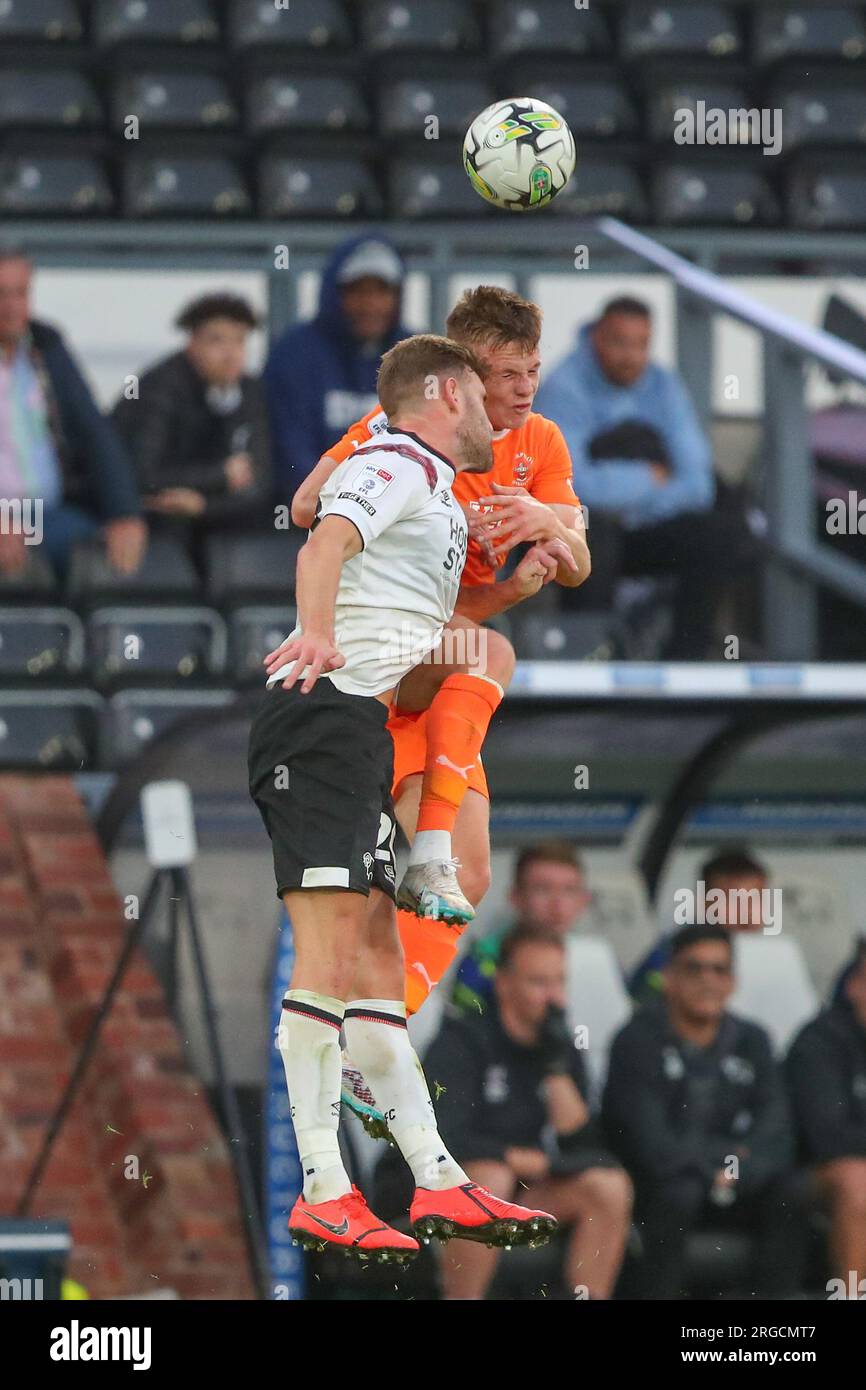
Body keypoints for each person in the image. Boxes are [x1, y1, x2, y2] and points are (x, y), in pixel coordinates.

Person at [248, 334, 557, 1259]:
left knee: (379, 978)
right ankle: (322, 1190)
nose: (496, 420)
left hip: (358, 736)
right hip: (323, 726)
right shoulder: (397, 459)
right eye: (481, 394)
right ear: (445, 392)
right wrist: (314, 636)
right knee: (328, 968)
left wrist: (514, 590)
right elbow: (325, 538)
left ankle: (439, 1181)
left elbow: (416, 617)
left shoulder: (427, 485)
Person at [281, 287, 590, 1036]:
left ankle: (377, 1032)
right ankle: (422, 862)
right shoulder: (407, 437)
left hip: (444, 665)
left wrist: (541, 527)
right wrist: (395, 493)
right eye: (507, 374)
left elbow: (579, 562)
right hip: (384, 661)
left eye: (534, 371)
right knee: (488, 651)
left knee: (474, 873)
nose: (524, 389)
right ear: (459, 378)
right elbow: (303, 509)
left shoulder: (539, 443)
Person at [375, 929, 632, 1299]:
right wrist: (519, 1161)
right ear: (504, 983)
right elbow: (442, 1139)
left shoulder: (558, 1043)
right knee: (489, 1179)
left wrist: (556, 1070)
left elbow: (585, 1149)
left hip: (516, 1191)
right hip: (424, 1190)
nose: (554, 995)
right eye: (538, 982)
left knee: (608, 1186)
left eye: (560, 981)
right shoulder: (461, 1041)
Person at [603, 925, 808, 1300]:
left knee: (793, 1191)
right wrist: (720, 1165)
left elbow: (775, 1128)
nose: (708, 981)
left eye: (719, 970)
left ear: (733, 981)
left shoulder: (753, 1040)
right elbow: (649, 1142)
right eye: (694, 969)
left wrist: (734, 1171)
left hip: (736, 1182)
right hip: (663, 1186)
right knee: (677, 1193)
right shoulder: (636, 1040)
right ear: (669, 977)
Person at [535, 296, 745, 658]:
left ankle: (686, 664)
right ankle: (587, 662)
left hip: (644, 528)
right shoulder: (563, 386)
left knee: (719, 536)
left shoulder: (665, 385)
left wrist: (633, 506)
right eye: (619, 342)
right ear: (597, 337)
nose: (630, 356)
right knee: (589, 532)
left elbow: (698, 485)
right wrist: (650, 478)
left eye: (641, 344)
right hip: (585, 532)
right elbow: (570, 484)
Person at [0, 246, 145, 579]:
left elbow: (94, 432)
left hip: (49, 513)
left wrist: (124, 512)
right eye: (1, 294)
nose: (11, 306)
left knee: (107, 554)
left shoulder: (47, 347)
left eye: (20, 293)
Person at [112, 293, 271, 570]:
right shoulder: (158, 390)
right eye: (217, 340)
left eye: (239, 340)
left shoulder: (251, 392)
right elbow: (142, 475)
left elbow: (261, 479)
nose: (230, 353)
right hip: (156, 516)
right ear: (192, 343)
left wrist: (204, 506)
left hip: (214, 511)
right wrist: (220, 475)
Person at [264, 234, 411, 500]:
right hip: (312, 516)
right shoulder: (294, 356)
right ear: (334, 293)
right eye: (358, 291)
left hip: (399, 518)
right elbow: (292, 457)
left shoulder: (417, 359)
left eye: (382, 291)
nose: (371, 304)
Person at [786, 938, 866, 1293]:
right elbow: (828, 1137)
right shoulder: (819, 1042)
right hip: (812, 1176)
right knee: (857, 1180)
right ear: (855, 985)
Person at [452, 841, 591, 1016]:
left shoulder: (596, 958)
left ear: (583, 900)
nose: (558, 906)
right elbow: (464, 1034)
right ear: (515, 897)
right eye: (543, 890)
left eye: (569, 891)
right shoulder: (481, 961)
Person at [629, 848, 768, 1003]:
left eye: (755, 900)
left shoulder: (776, 959)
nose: (746, 914)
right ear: (704, 902)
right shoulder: (671, 953)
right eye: (733, 901)